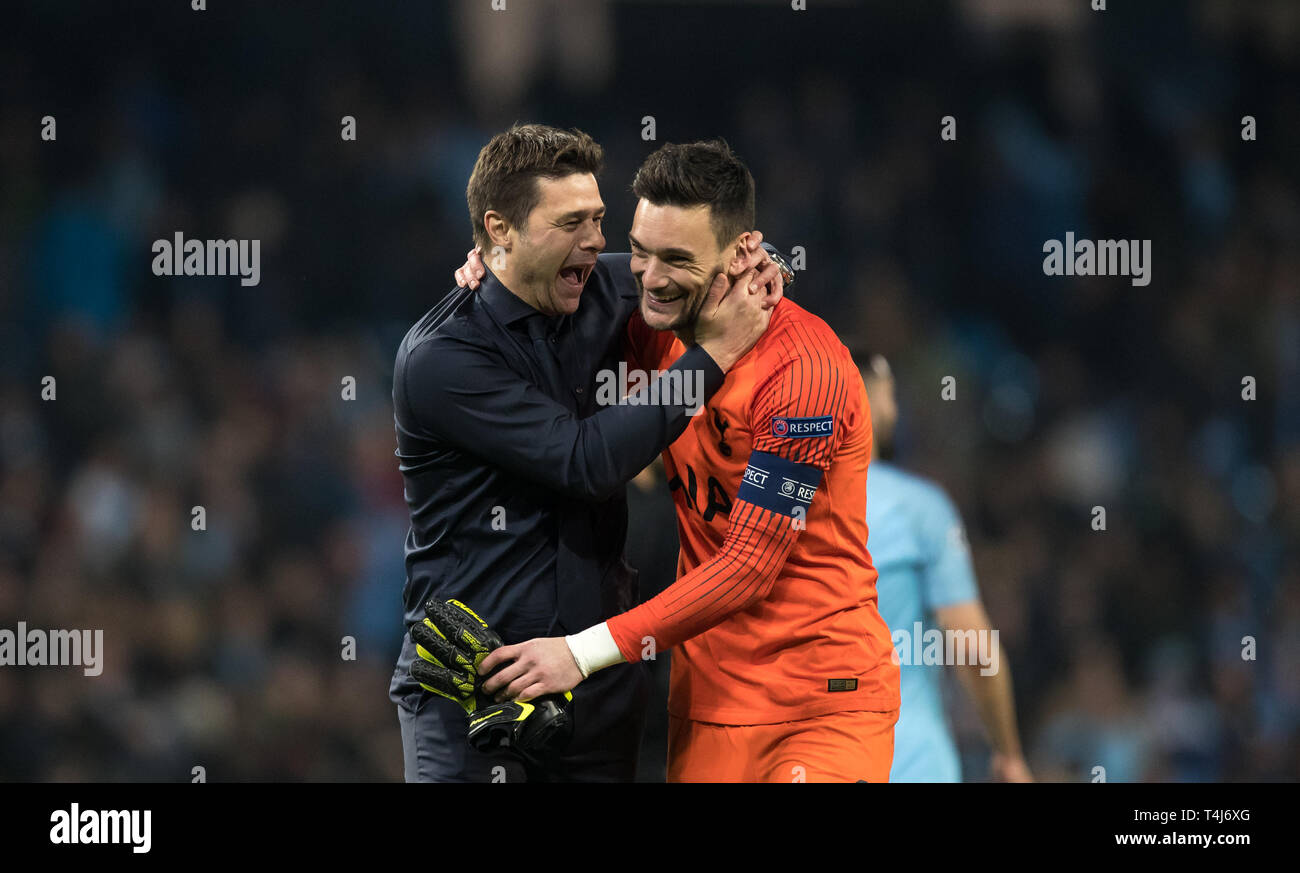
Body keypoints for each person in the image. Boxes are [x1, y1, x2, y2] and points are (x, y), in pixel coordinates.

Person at [478, 140, 901, 783]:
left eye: (676, 259)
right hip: (708, 704)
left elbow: (747, 570)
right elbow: (542, 274)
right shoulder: (653, 318)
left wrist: (581, 652)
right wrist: (496, 261)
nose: (648, 276)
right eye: (641, 250)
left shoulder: (804, 372)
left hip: (823, 701)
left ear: (740, 253)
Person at [391, 124, 782, 782]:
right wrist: (712, 355)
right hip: (476, 693)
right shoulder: (442, 358)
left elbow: (701, 264)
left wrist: (761, 259)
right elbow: (585, 462)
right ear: (500, 229)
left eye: (599, 219)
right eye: (571, 222)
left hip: (596, 689)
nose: (598, 241)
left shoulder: (600, 290)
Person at [860, 352, 1033, 782]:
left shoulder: (767, 506)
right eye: (890, 397)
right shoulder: (919, 508)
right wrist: (1008, 754)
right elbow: (976, 651)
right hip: (909, 761)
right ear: (878, 404)